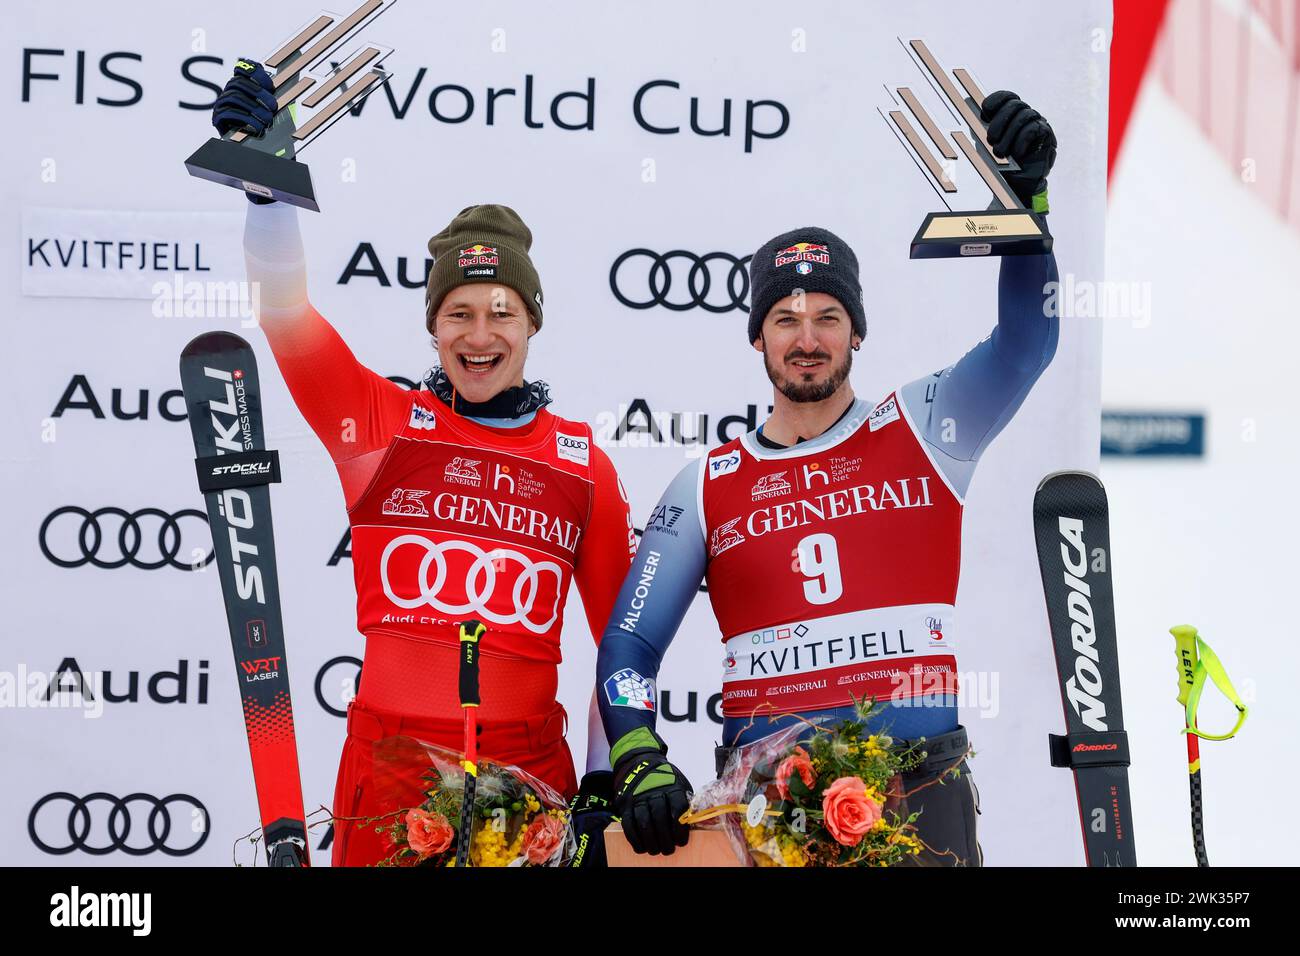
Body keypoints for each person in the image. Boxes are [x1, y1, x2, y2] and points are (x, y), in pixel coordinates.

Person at [597, 92, 1061, 865]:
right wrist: (640, 753)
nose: (807, 340)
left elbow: (1026, 344)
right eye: (785, 318)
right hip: (766, 814)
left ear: (856, 331)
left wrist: (1025, 214)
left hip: (919, 799)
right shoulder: (705, 483)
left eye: (827, 318)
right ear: (758, 338)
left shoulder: (925, 426)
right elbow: (627, 648)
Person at [212, 58, 634, 866]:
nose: (481, 336)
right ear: (433, 328)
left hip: (531, 774)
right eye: (459, 314)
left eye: (502, 313)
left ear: (533, 323)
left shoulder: (583, 463)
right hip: (391, 770)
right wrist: (266, 198)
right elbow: (287, 315)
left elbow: (622, 643)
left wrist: (604, 776)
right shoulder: (381, 424)